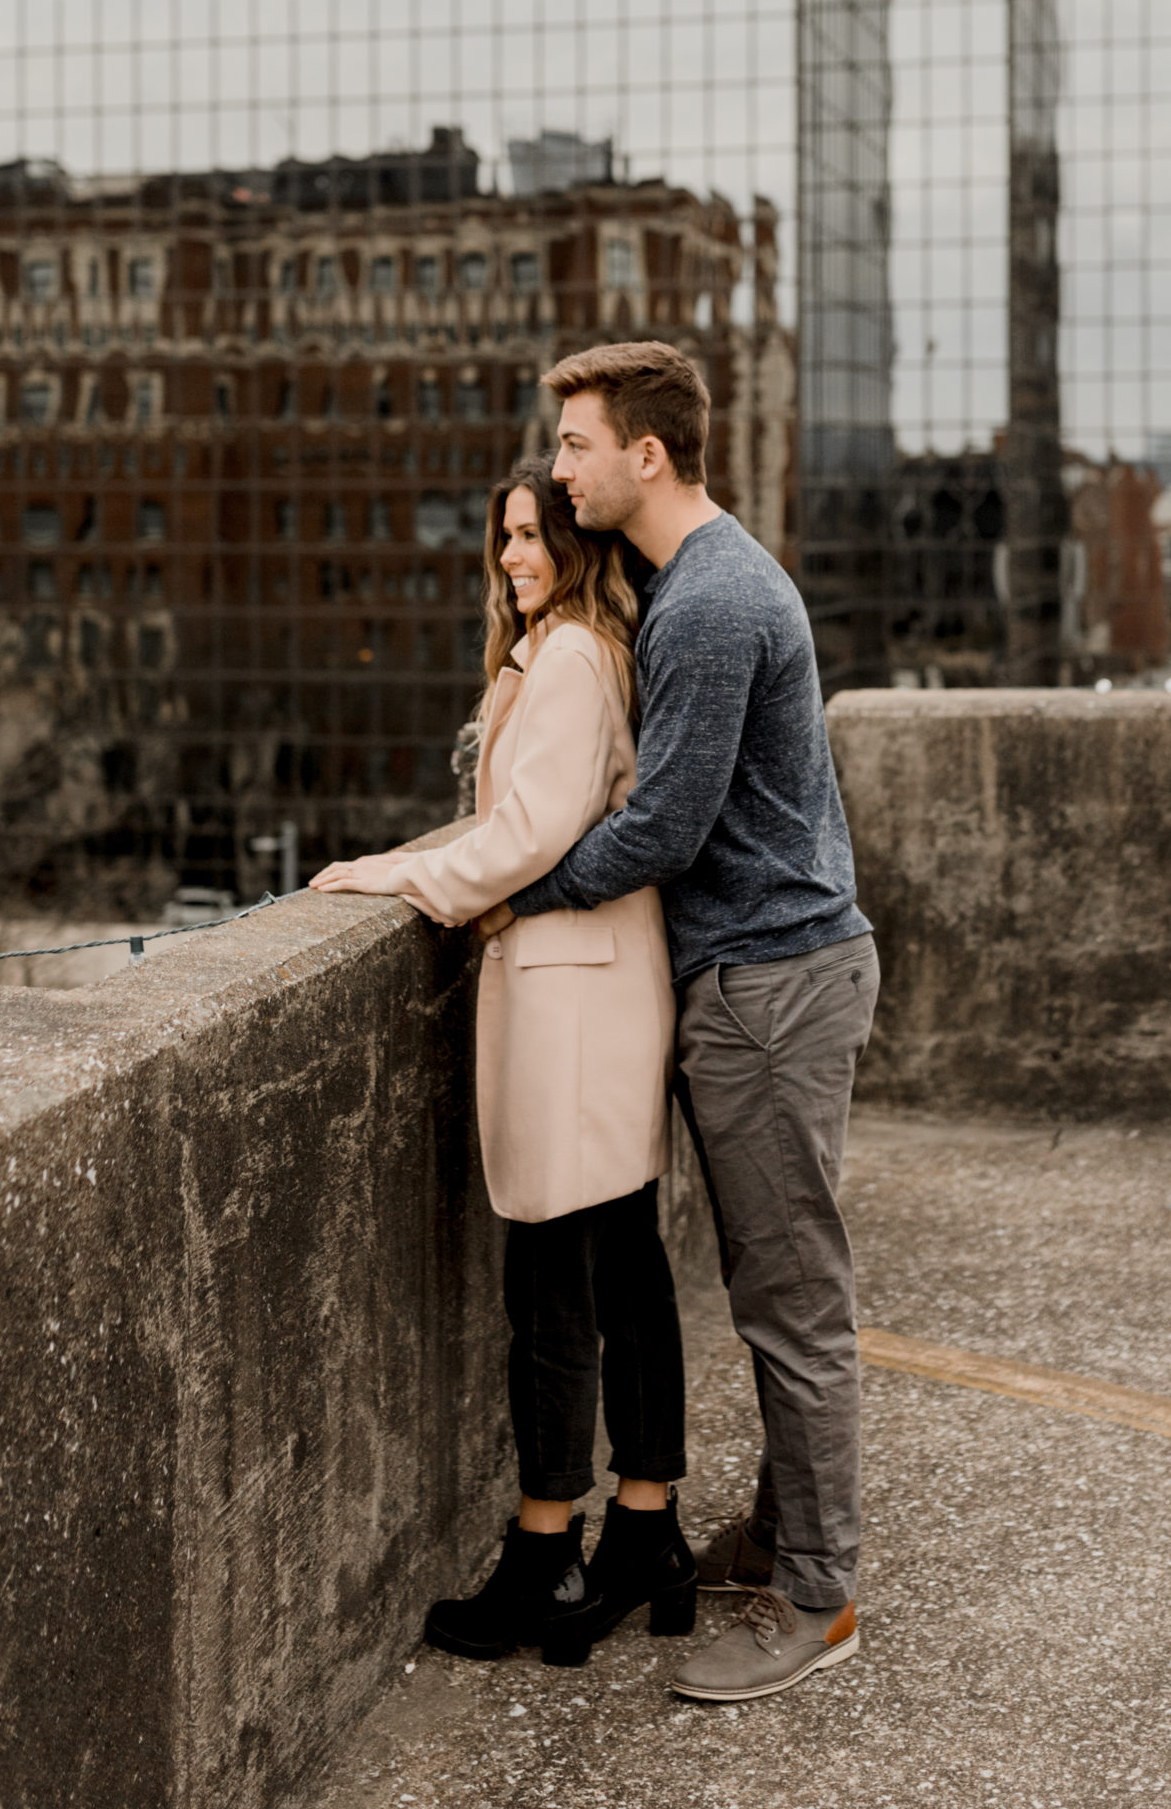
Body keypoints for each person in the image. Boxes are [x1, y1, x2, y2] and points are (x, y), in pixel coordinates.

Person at [473, 342, 880, 1706]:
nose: (562, 465)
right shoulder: (697, 578)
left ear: (644, 456)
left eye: (576, 443)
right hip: (769, 972)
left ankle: (814, 1594)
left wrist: (514, 890)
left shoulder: (705, 603)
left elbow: (663, 824)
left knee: (788, 1302)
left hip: (768, 981)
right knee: (775, 1285)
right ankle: (776, 1532)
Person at [309, 455, 698, 1669]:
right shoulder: (573, 650)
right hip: (603, 987)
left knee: (552, 1283)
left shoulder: (575, 656)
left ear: (576, 543)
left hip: (574, 994)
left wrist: (395, 872)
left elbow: (526, 834)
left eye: (533, 533)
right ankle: (646, 1530)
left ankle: (544, 1553)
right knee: (621, 1269)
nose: (514, 556)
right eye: (503, 538)